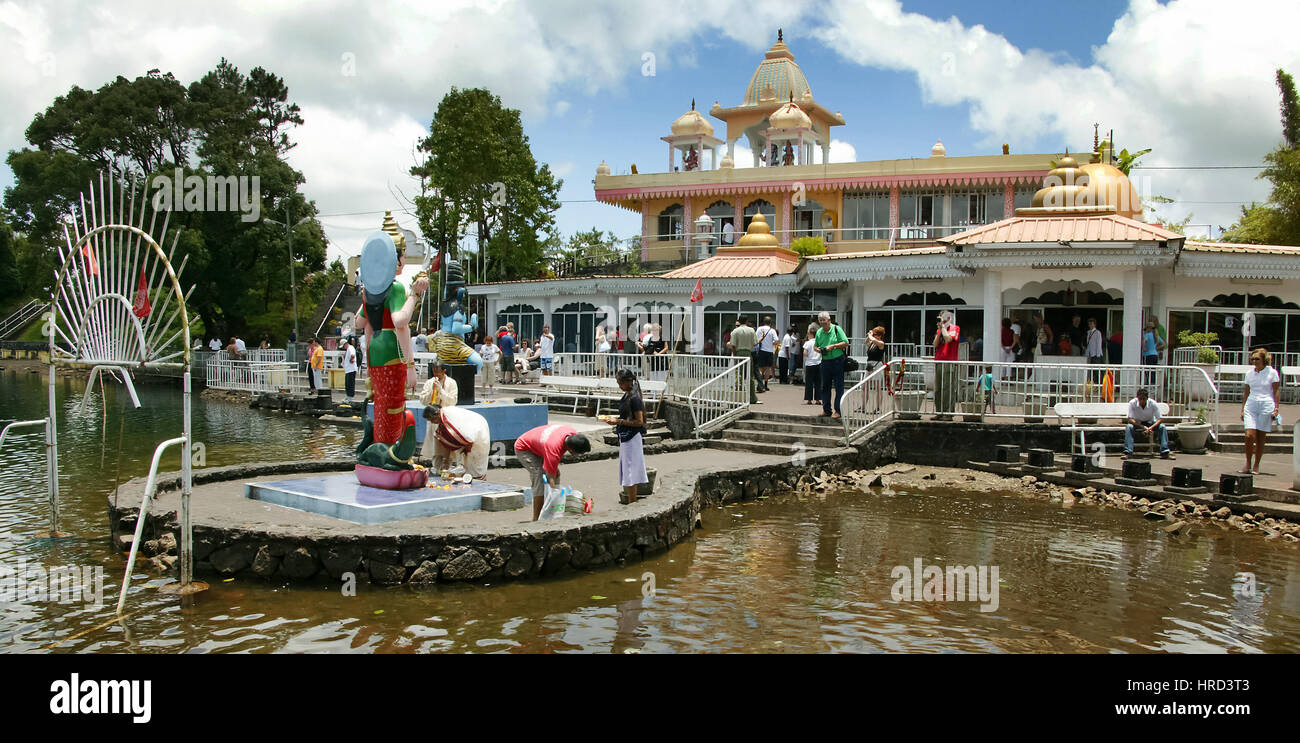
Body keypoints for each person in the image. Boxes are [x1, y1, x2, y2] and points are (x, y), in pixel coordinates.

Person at [515, 424, 590, 521]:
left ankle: (554, 513)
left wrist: (555, 491)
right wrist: (554, 492)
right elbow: (550, 478)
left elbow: (553, 464)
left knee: (556, 475)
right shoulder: (554, 449)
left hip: (541, 445)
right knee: (539, 479)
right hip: (524, 447)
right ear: (571, 450)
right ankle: (537, 519)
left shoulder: (573, 435)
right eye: (578, 453)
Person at [602, 368, 647, 505]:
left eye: (621, 383)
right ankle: (631, 500)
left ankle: (632, 501)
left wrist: (619, 421)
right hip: (626, 436)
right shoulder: (627, 396)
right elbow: (627, 416)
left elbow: (639, 422)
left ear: (629, 381)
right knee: (628, 469)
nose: (619, 386)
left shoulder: (634, 398)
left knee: (630, 470)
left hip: (632, 437)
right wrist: (616, 419)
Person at [1240, 348, 1281, 474]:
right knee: (1249, 436)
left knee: (1260, 437)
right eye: (1252, 359)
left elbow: (1276, 390)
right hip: (1251, 405)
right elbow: (1246, 391)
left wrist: (1276, 408)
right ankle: (1248, 463)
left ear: (1264, 359)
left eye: (1257, 359)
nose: (1254, 361)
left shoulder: (1272, 372)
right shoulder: (1249, 373)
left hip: (1266, 405)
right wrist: (1242, 409)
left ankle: (1256, 464)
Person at [424, 405, 491, 479]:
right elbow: (447, 441)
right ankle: (468, 478)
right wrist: (446, 460)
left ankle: (478, 480)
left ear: (437, 414)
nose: (432, 423)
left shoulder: (449, 416)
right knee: (465, 465)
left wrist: (466, 445)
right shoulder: (443, 418)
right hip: (468, 435)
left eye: (432, 420)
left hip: (477, 430)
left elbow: (466, 436)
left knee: (475, 463)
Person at [815, 311, 849, 419]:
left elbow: (845, 342)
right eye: (820, 320)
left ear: (829, 320)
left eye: (824, 320)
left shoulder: (836, 329)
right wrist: (818, 349)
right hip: (825, 361)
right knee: (825, 386)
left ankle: (838, 411)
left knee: (839, 386)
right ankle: (826, 410)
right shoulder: (819, 332)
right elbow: (815, 346)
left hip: (837, 361)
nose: (822, 322)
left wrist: (833, 346)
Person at [1124, 387, 1172, 459]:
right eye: (1140, 399)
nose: (1142, 401)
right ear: (1137, 398)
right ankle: (1128, 452)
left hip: (1150, 423)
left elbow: (1160, 419)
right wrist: (1142, 427)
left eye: (1144, 399)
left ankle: (1165, 452)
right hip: (1137, 423)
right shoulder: (1132, 403)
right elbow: (1130, 419)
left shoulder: (1153, 403)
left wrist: (1150, 428)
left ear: (1147, 398)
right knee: (1129, 427)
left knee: (1162, 427)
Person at [419, 359, 458, 444]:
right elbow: (422, 400)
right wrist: (431, 392)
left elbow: (453, 401)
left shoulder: (452, 383)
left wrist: (441, 391)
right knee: (432, 443)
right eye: (434, 372)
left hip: (446, 417)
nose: (436, 375)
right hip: (433, 417)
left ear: (444, 371)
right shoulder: (429, 382)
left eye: (438, 372)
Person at [932, 310, 960, 419]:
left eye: (943, 318)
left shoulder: (955, 328)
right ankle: (939, 412)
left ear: (949, 318)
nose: (941, 320)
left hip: (949, 361)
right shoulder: (940, 330)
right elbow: (935, 344)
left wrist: (943, 327)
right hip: (939, 361)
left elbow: (948, 339)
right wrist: (940, 330)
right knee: (938, 388)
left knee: (948, 388)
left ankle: (948, 413)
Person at [727, 315, 758, 405]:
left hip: (738, 352)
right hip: (748, 353)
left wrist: (735, 355)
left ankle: (740, 396)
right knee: (750, 376)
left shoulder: (735, 331)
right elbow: (755, 343)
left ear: (739, 321)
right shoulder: (751, 330)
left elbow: (733, 345)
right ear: (747, 321)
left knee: (739, 374)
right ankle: (752, 397)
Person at [754, 316, 778, 392]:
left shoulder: (759, 329)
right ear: (770, 323)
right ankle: (765, 385)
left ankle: (760, 385)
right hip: (769, 351)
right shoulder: (772, 330)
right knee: (768, 368)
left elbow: (755, 339)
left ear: (763, 322)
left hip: (761, 351)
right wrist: (771, 343)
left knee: (760, 368)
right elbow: (776, 341)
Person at [802, 326, 821, 405]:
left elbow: (805, 353)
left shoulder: (808, 343)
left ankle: (809, 399)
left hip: (810, 363)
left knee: (809, 382)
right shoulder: (819, 342)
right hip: (819, 363)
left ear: (811, 334)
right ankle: (818, 399)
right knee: (818, 382)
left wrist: (808, 356)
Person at [1085, 317, 1104, 384]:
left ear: (1094, 324)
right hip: (1090, 354)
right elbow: (1088, 344)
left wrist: (1098, 355)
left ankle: (1100, 383)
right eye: (1089, 324)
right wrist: (1087, 354)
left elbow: (1099, 344)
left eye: (1092, 324)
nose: (1090, 325)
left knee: (1097, 370)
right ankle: (1093, 383)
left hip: (1096, 354)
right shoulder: (1088, 332)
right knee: (1092, 370)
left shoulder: (1097, 333)